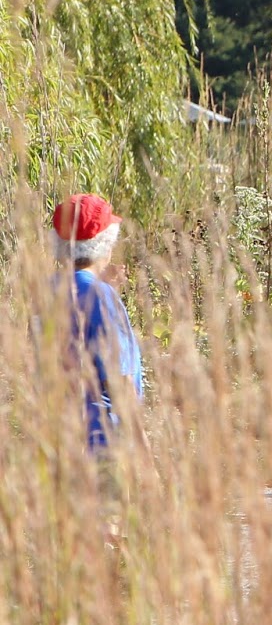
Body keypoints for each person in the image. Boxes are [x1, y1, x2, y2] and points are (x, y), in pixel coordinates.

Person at [53, 194, 144, 452]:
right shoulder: (100, 297)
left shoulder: (46, 292)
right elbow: (120, 384)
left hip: (58, 447)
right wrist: (146, 456)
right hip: (103, 447)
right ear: (105, 242)